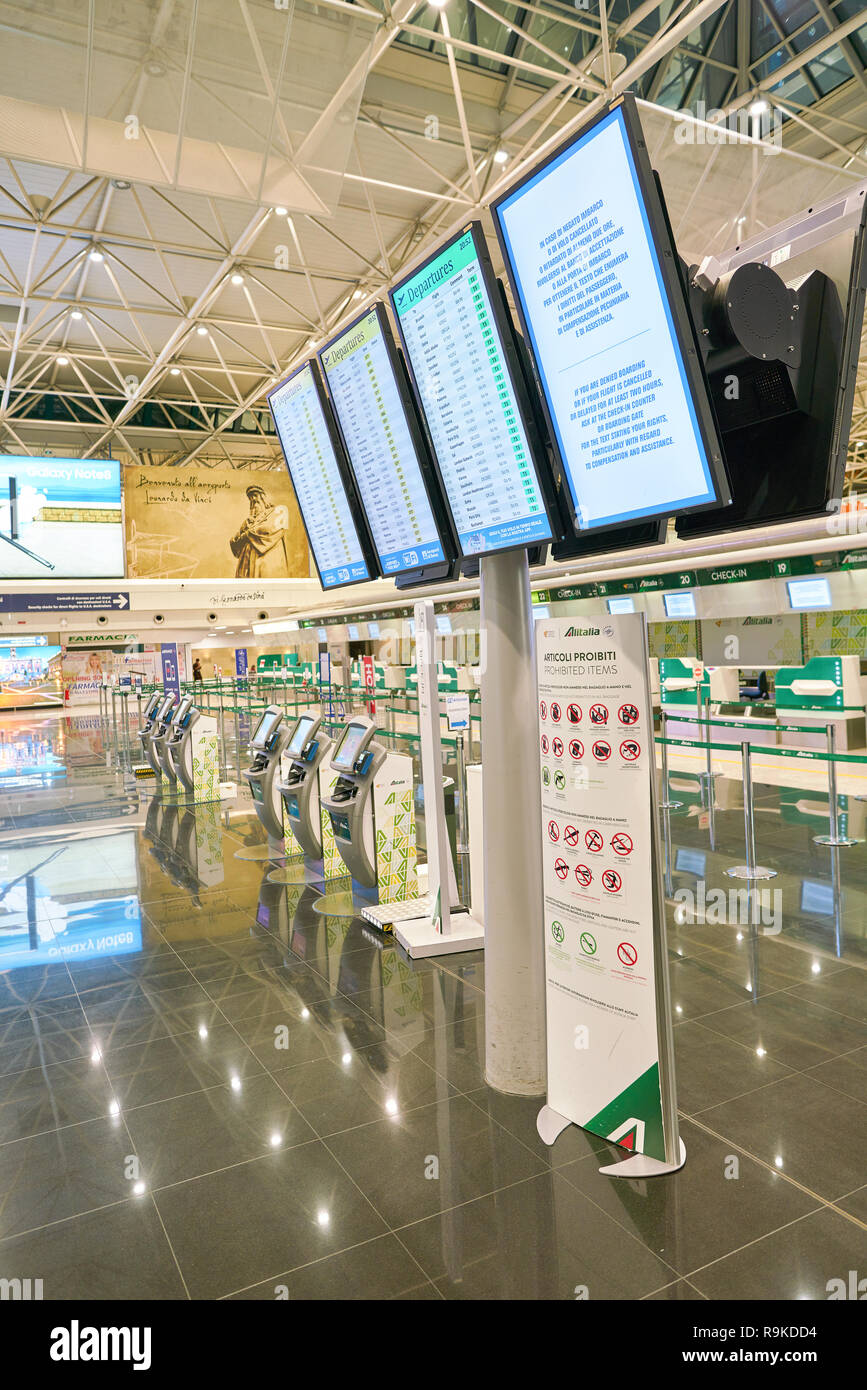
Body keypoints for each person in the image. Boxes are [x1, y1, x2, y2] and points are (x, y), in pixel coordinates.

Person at [230, 485, 289, 578]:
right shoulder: (248, 521)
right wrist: (243, 529)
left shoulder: (276, 512)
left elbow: (269, 529)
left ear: (263, 499)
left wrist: (248, 533)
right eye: (251, 501)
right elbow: (236, 542)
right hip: (247, 563)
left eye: (256, 500)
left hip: (266, 560)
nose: (254, 503)